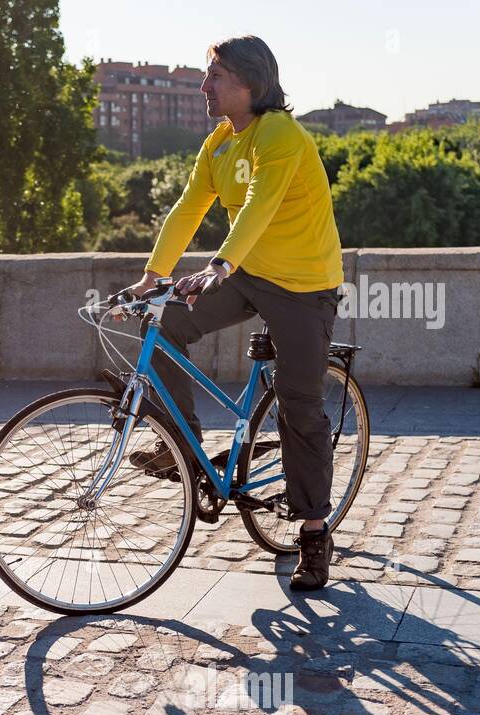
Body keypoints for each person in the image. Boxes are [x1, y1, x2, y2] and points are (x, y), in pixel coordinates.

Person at [121, 35, 344, 591]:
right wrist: (153, 276)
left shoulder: (281, 135)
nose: (204, 86)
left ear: (251, 83)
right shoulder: (220, 143)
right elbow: (188, 207)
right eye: (207, 75)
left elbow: (260, 205)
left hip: (301, 286)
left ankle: (315, 534)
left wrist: (219, 266)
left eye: (215, 76)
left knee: (301, 407)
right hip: (247, 274)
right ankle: (185, 449)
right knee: (166, 320)